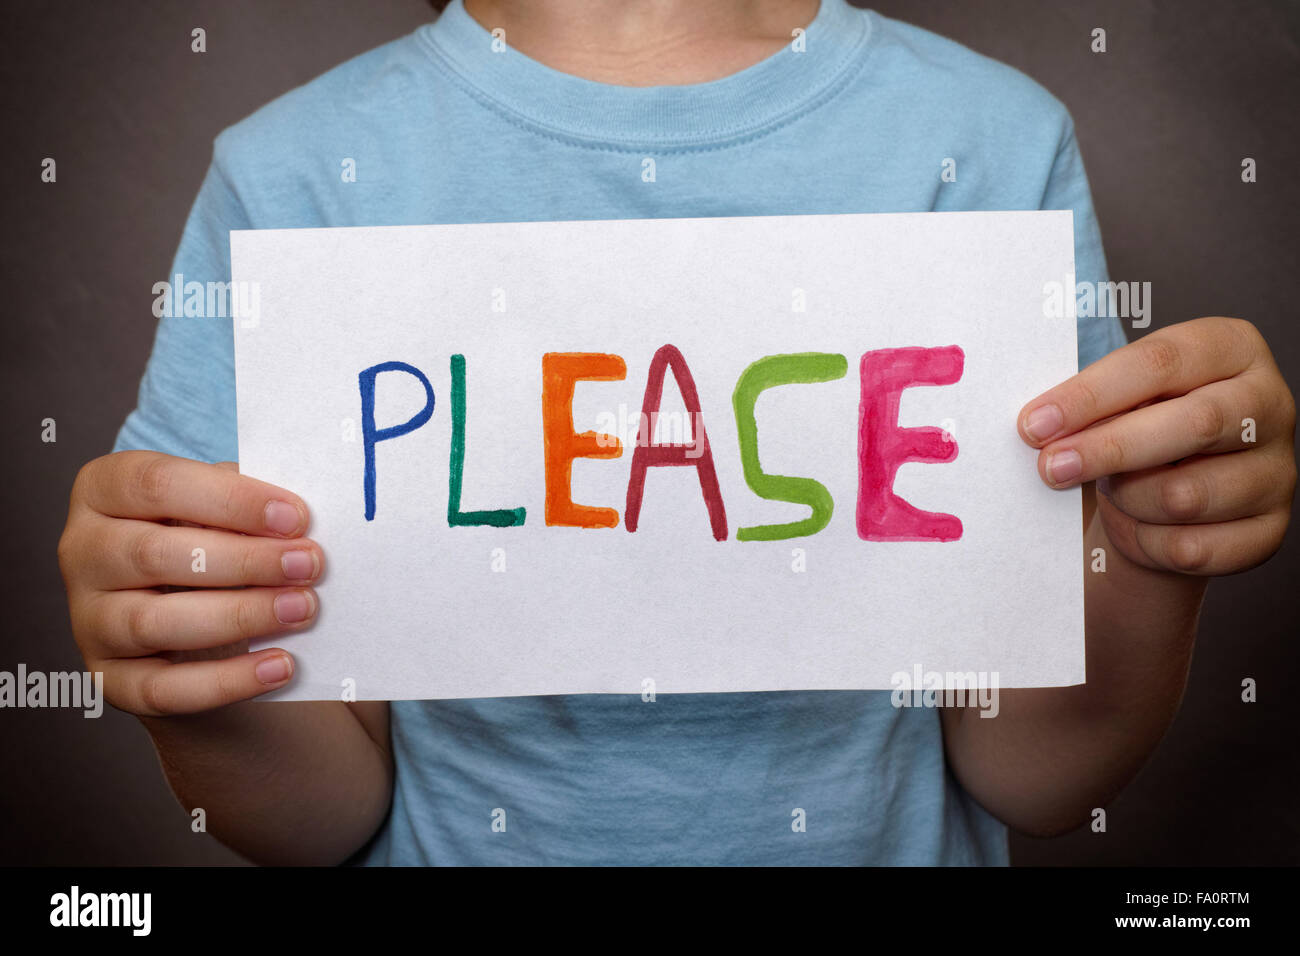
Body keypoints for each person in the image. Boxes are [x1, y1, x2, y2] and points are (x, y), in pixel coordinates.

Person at [57, 0, 1295, 865]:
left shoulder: (992, 141)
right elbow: (314, 818)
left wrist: (1146, 549)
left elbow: (1033, 775)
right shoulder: (296, 175)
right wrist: (191, 674)